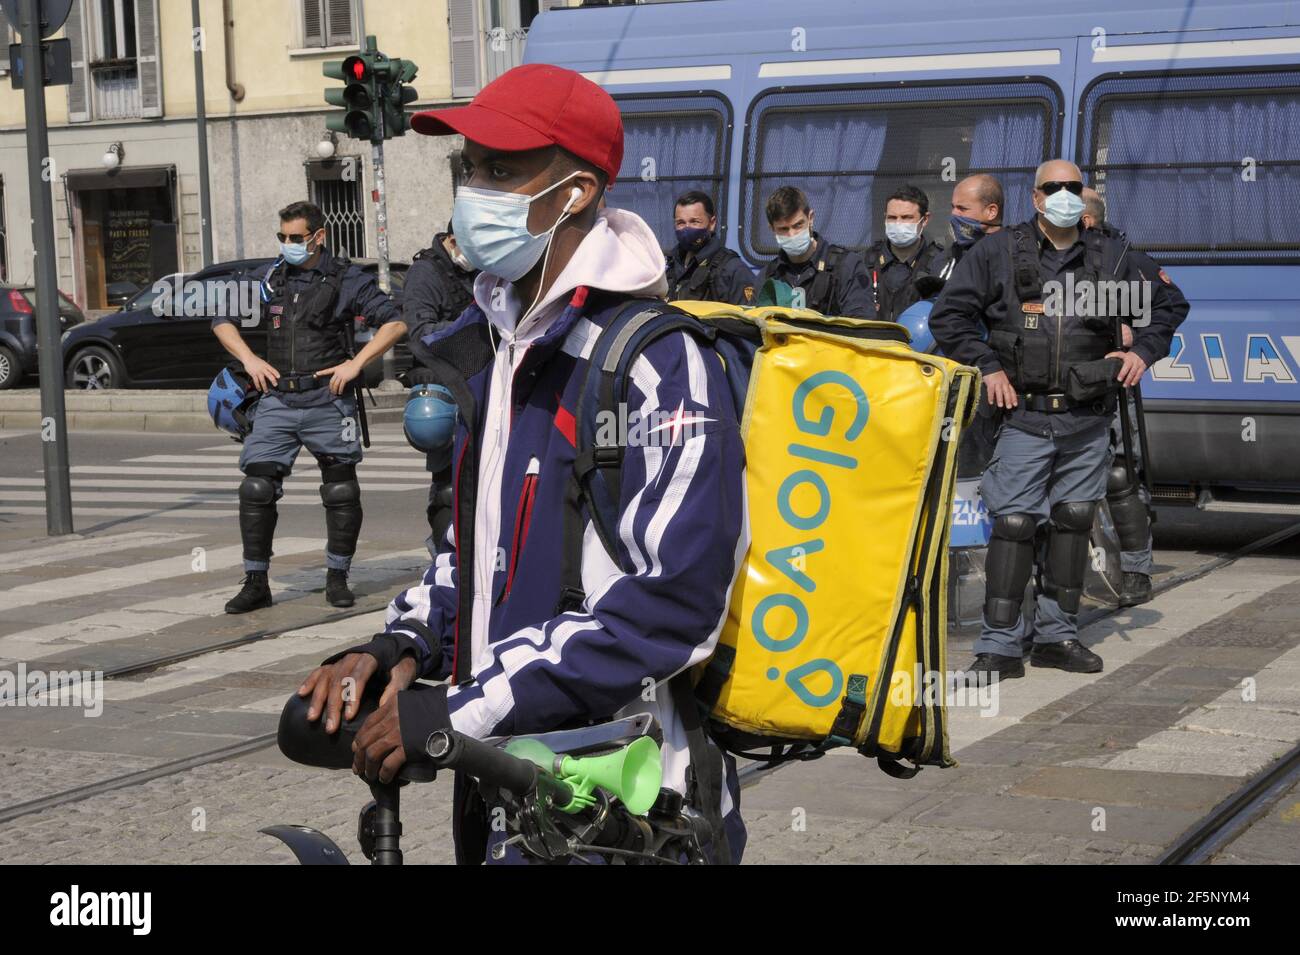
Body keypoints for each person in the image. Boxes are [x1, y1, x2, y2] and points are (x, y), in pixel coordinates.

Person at [289, 64, 748, 864]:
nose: (476, 189)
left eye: (502, 169)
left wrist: (458, 708)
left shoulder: (659, 361)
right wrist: (396, 649)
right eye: (471, 167)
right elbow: (472, 559)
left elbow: (672, 606)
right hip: (504, 787)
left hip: (625, 807)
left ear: (575, 192)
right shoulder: (500, 343)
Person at [930, 160, 1187, 679]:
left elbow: (1170, 305)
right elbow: (949, 317)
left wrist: (1145, 351)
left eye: (1073, 187)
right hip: (1024, 415)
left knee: (1072, 522)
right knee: (1015, 523)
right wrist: (987, 367)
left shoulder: (1112, 257)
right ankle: (1000, 646)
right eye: (1054, 187)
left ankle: (1057, 635)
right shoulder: (998, 252)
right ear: (1036, 196)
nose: (1065, 195)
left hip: (1087, 418)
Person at [212, 201, 406, 613]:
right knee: (256, 487)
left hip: (327, 399)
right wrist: (249, 359)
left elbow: (395, 322)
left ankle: (337, 577)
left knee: (340, 489)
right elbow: (222, 320)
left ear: (318, 237)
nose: (287, 245)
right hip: (278, 398)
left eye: (295, 238)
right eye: (282, 237)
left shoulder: (346, 279)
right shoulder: (271, 278)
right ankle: (256, 582)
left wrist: (356, 364)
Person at [1081, 187, 1190, 606]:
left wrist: (1137, 343)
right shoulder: (1043, 256)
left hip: (1111, 383)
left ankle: (1134, 569)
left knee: (1119, 475)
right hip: (1057, 383)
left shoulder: (1122, 259)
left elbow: (1171, 305)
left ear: (1087, 220)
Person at [402, 223, 479, 549]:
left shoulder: (486, 268)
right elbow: (421, 333)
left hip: (484, 382)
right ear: (453, 239)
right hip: (444, 386)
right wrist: (479, 327)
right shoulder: (426, 272)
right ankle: (446, 560)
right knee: (450, 488)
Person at [759, 185, 873, 317]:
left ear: (811, 218)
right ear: (772, 229)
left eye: (798, 225)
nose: (792, 235)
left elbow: (860, 323)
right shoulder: (768, 276)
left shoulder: (846, 267)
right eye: (783, 229)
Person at [863, 184, 947, 322]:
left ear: (925, 219)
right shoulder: (865, 262)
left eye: (906, 217)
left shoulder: (940, 265)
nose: (898, 224)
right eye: (892, 217)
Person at [664, 190, 756, 306]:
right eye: (681, 223)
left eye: (694, 222)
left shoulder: (732, 269)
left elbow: (746, 319)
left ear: (712, 223)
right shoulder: (668, 266)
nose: (687, 229)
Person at [938, 173, 1004, 282]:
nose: (954, 214)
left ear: (991, 212)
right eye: (953, 207)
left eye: (962, 208)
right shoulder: (945, 259)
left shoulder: (1013, 256)